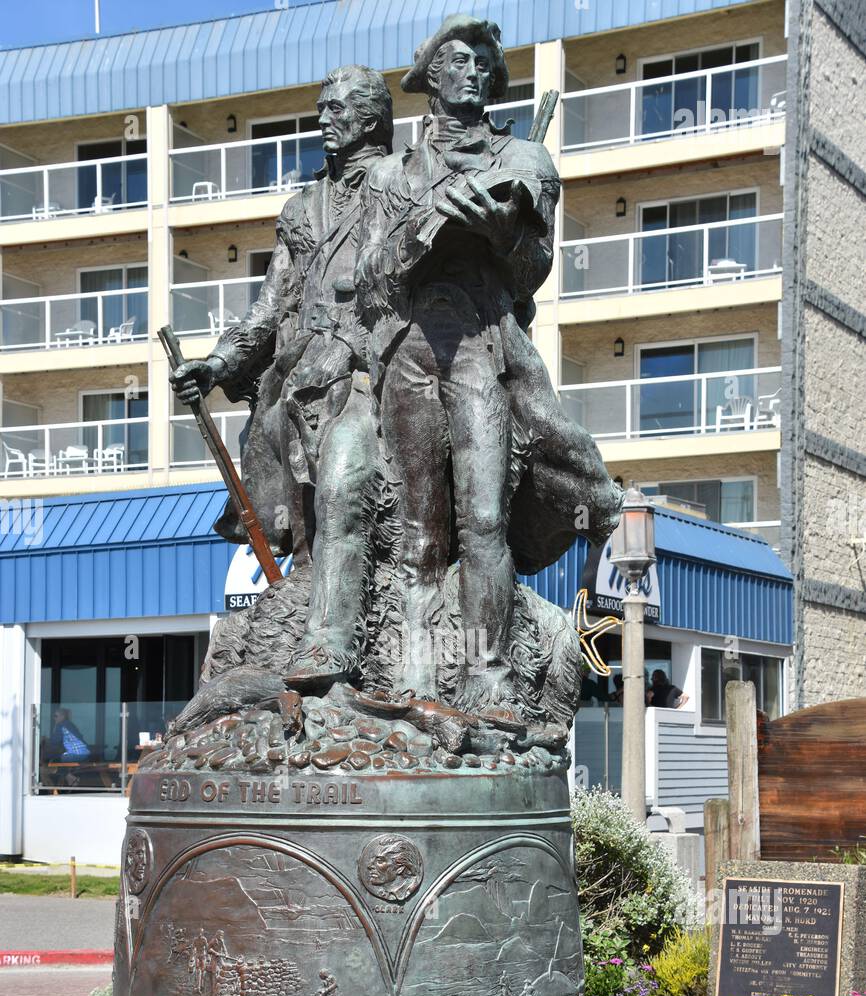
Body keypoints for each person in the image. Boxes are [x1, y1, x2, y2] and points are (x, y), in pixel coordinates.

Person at [354, 15, 621, 717]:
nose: (472, 71)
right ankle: (412, 682)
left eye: (482, 63)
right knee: (417, 534)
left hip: (481, 343)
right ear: (430, 78)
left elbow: (534, 272)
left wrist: (503, 230)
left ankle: (489, 674)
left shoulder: (524, 161)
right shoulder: (390, 175)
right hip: (411, 348)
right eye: (457, 59)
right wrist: (424, 225)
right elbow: (373, 280)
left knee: (483, 519)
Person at [171, 66, 393, 689]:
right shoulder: (301, 209)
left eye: (339, 109)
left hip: (376, 365)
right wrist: (216, 365)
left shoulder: (400, 185)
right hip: (300, 376)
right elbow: (267, 311)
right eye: (321, 108)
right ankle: (304, 609)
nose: (324, 119)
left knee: (347, 481)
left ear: (372, 118)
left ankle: (340, 639)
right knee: (280, 454)